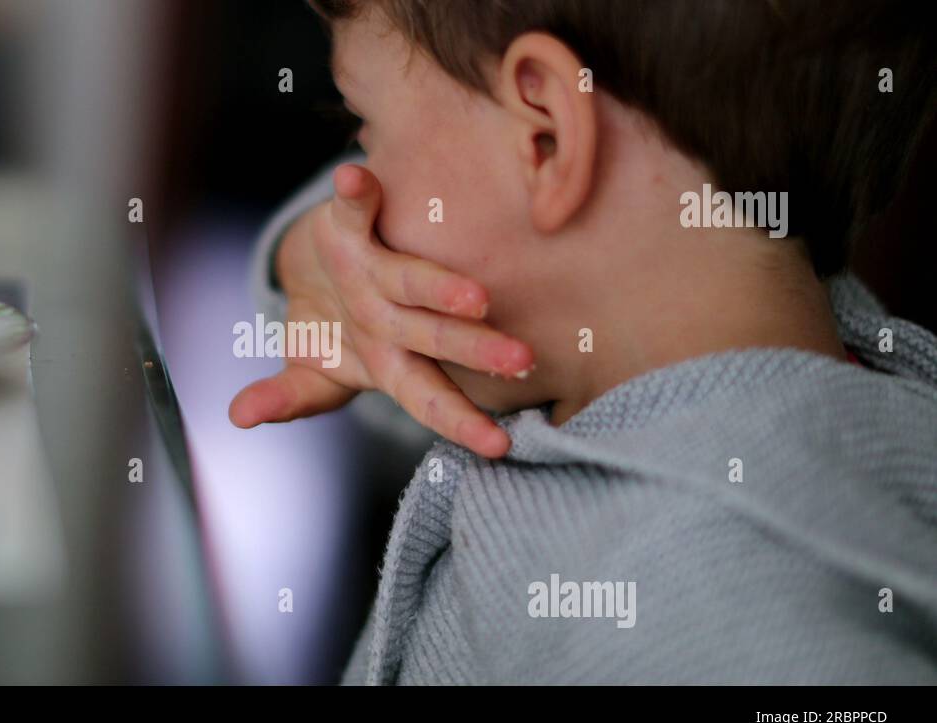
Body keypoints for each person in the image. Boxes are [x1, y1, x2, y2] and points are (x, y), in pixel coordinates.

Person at [229, 0, 937, 683]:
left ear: (547, 136)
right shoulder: (747, 373)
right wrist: (314, 260)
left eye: (365, 126)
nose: (356, 198)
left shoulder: (722, 619)